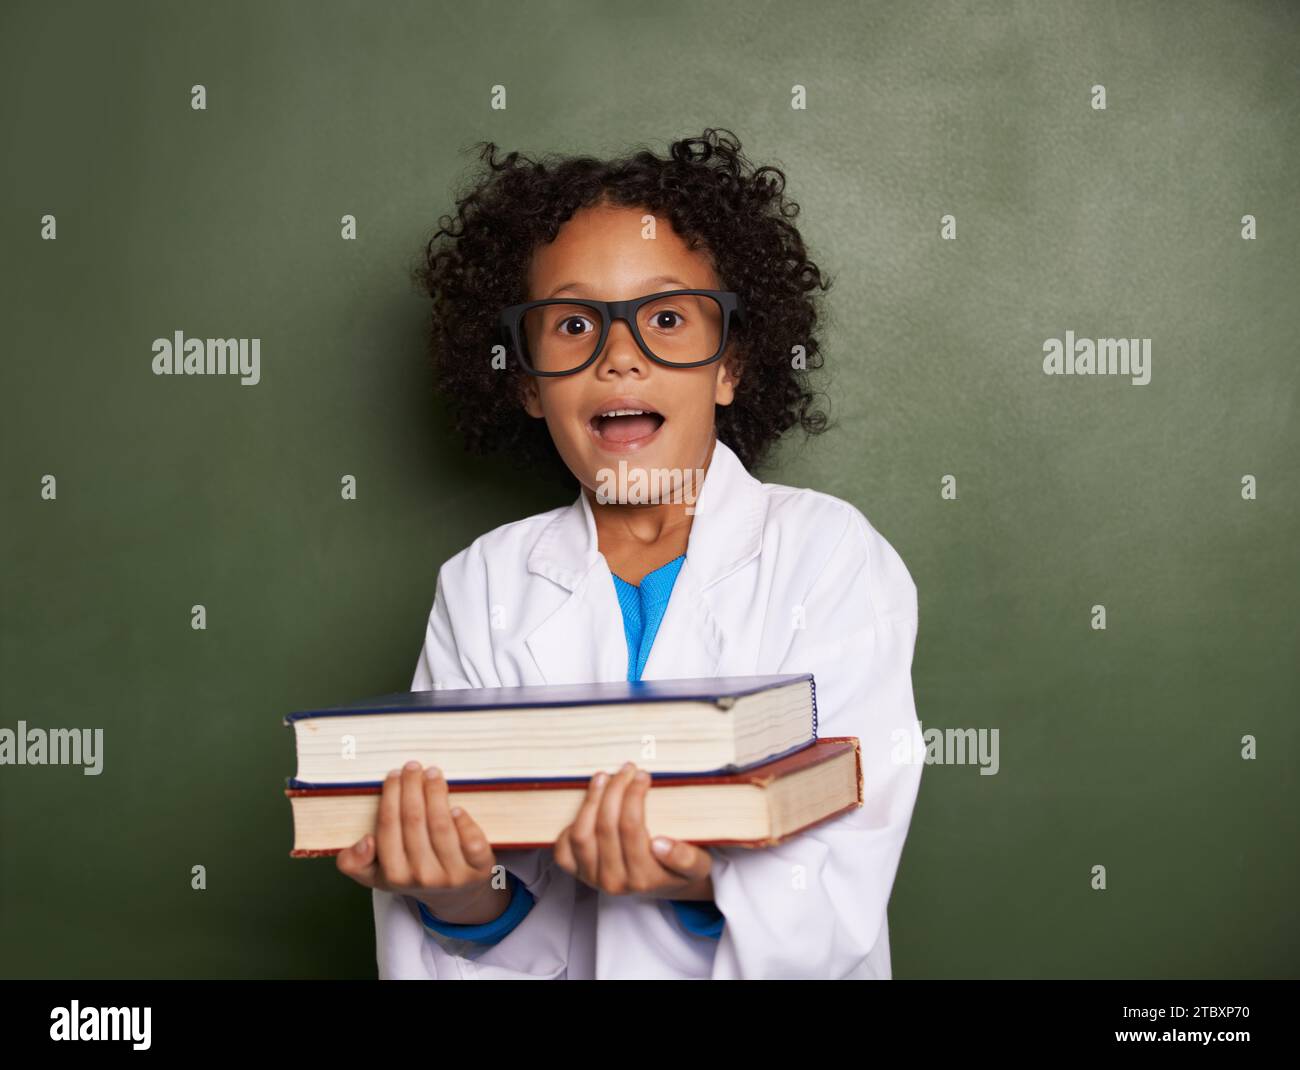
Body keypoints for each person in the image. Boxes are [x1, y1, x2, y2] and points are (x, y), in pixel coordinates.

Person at [336, 129, 924, 979]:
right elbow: (515, 916)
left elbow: (838, 894)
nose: (619, 357)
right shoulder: (483, 586)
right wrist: (463, 899)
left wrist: (694, 886)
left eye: (667, 318)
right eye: (573, 323)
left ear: (730, 365)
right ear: (529, 384)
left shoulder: (830, 559)